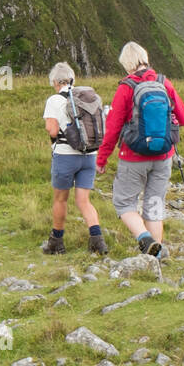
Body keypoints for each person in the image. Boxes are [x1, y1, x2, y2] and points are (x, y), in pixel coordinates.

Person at [96, 42, 184, 257]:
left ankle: (144, 239)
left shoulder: (126, 88)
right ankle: (156, 255)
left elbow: (113, 128)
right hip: (163, 155)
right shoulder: (164, 83)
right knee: (155, 204)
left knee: (124, 203)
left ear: (126, 64)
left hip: (133, 157)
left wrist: (101, 160)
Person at [42, 62, 108, 255]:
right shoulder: (88, 98)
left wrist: (53, 140)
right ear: (72, 79)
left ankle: (56, 242)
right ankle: (98, 241)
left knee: (60, 199)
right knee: (84, 201)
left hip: (65, 156)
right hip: (90, 155)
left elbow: (52, 129)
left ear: (55, 82)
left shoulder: (54, 100)